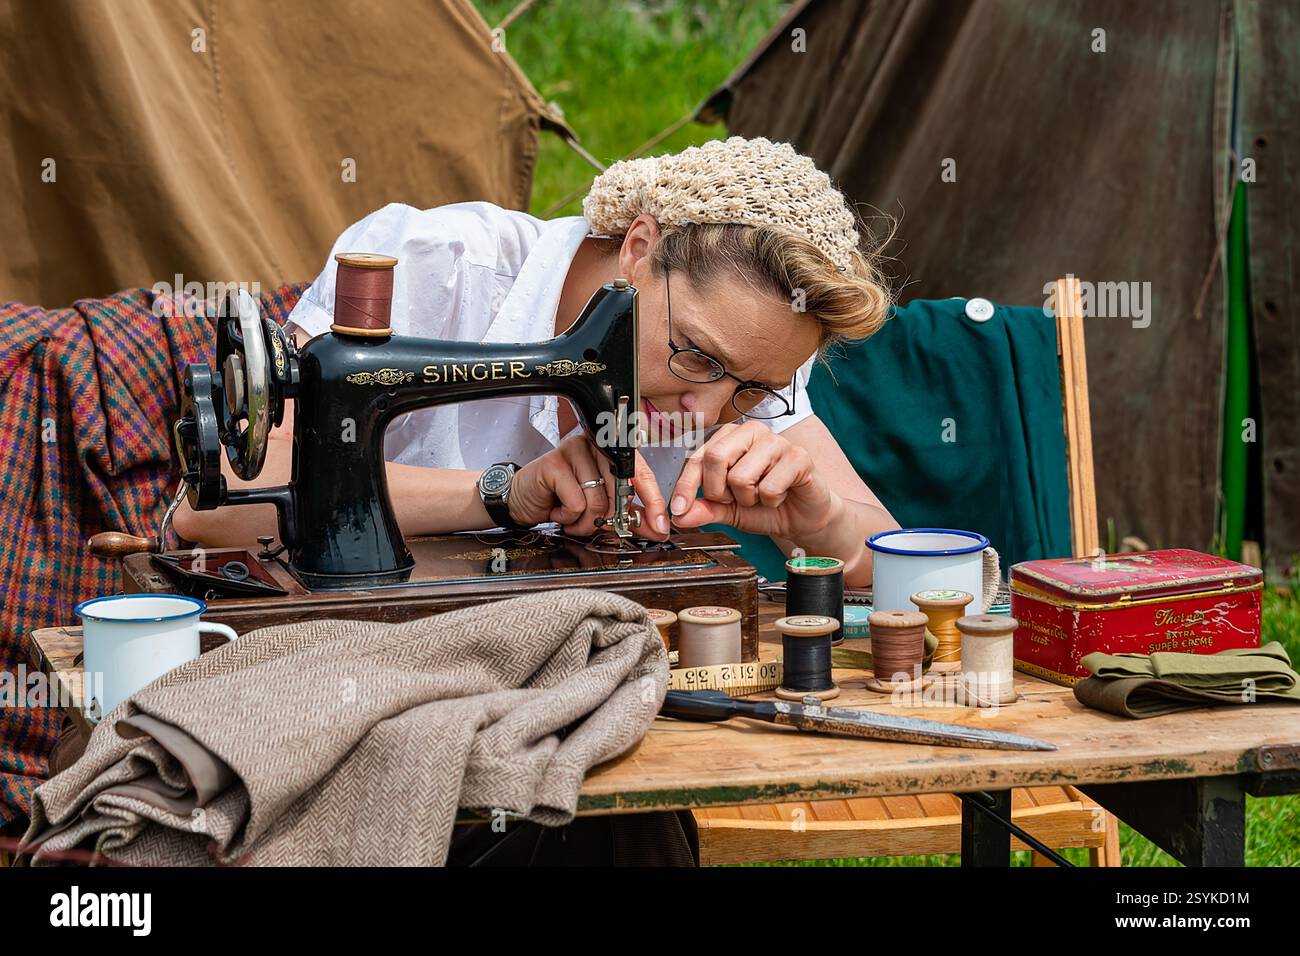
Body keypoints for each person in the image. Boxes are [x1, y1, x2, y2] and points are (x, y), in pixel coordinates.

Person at [173, 136, 900, 585]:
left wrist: (822, 522)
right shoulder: (438, 265)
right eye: (696, 357)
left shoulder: (757, 352)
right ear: (638, 249)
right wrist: (503, 493)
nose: (704, 414)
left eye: (752, 392)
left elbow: (912, 569)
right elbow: (218, 508)